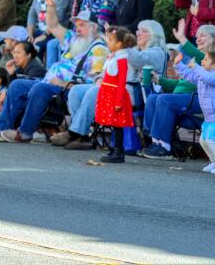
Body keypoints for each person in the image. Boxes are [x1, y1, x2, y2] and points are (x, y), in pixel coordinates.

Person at [0, 4, 109, 144]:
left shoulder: (99, 49)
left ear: (94, 28)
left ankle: (25, 133)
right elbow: (53, 26)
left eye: (82, 25)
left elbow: (92, 84)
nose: (77, 29)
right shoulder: (74, 39)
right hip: (49, 83)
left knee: (39, 88)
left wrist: (62, 83)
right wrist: (51, 6)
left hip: (66, 89)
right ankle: (0, 129)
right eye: (76, 25)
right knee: (17, 85)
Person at [55, 20, 170, 150]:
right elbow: (110, 68)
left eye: (144, 31)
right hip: (116, 87)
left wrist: (119, 44)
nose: (138, 33)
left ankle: (74, 133)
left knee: (95, 92)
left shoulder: (157, 52)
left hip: (136, 93)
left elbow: (139, 60)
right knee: (76, 91)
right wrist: (99, 78)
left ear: (155, 35)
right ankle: (83, 137)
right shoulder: (133, 50)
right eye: (138, 30)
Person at [140, 23, 211, 159]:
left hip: (200, 101)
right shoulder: (196, 59)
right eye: (197, 36)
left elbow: (200, 56)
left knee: (165, 100)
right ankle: (153, 140)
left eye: (203, 36)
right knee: (153, 98)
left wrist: (182, 39)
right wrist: (159, 79)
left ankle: (164, 147)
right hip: (183, 100)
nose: (198, 39)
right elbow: (180, 85)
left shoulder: (210, 58)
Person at [93, 26, 139, 163]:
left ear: (119, 44)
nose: (108, 43)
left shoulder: (122, 60)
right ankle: (114, 149)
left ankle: (119, 151)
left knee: (117, 124)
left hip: (115, 95)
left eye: (111, 40)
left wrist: (118, 101)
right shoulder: (115, 57)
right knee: (113, 123)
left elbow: (121, 81)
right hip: (108, 93)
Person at [169, 43, 215, 173]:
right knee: (203, 140)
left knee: (211, 140)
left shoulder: (211, 75)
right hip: (208, 118)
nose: (202, 61)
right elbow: (189, 75)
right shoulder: (202, 74)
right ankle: (213, 162)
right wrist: (179, 64)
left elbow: (208, 78)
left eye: (206, 59)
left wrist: (195, 67)